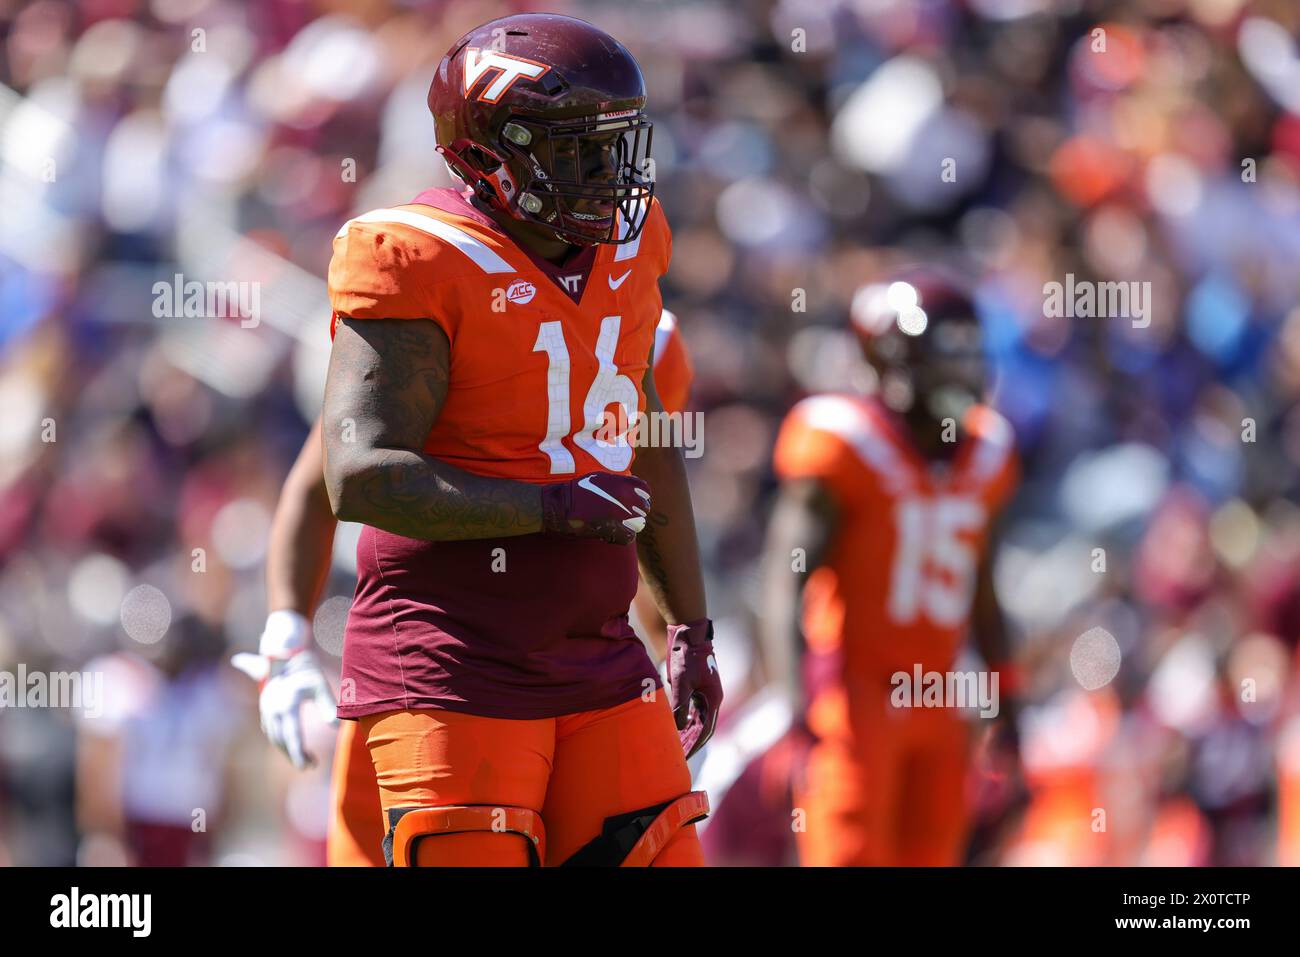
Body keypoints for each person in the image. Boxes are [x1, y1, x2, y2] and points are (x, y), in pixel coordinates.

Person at [268, 13, 720, 867]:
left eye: (617, 145)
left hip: (598, 653)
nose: (611, 175)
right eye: (581, 149)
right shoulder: (412, 256)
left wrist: (691, 626)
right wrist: (547, 508)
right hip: (449, 665)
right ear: (492, 153)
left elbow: (648, 435)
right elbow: (355, 474)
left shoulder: (632, 247)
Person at [235, 310, 695, 866]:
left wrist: (680, 636)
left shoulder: (644, 329)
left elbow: (647, 516)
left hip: (585, 678)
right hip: (438, 671)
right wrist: (286, 636)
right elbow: (321, 482)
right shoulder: (448, 299)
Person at [761, 266, 1021, 866]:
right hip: (854, 697)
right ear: (892, 361)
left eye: (966, 353)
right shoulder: (844, 444)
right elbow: (784, 584)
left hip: (941, 693)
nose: (960, 372)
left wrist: (1011, 700)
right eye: (943, 354)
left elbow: (983, 587)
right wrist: (794, 709)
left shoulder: (991, 453)